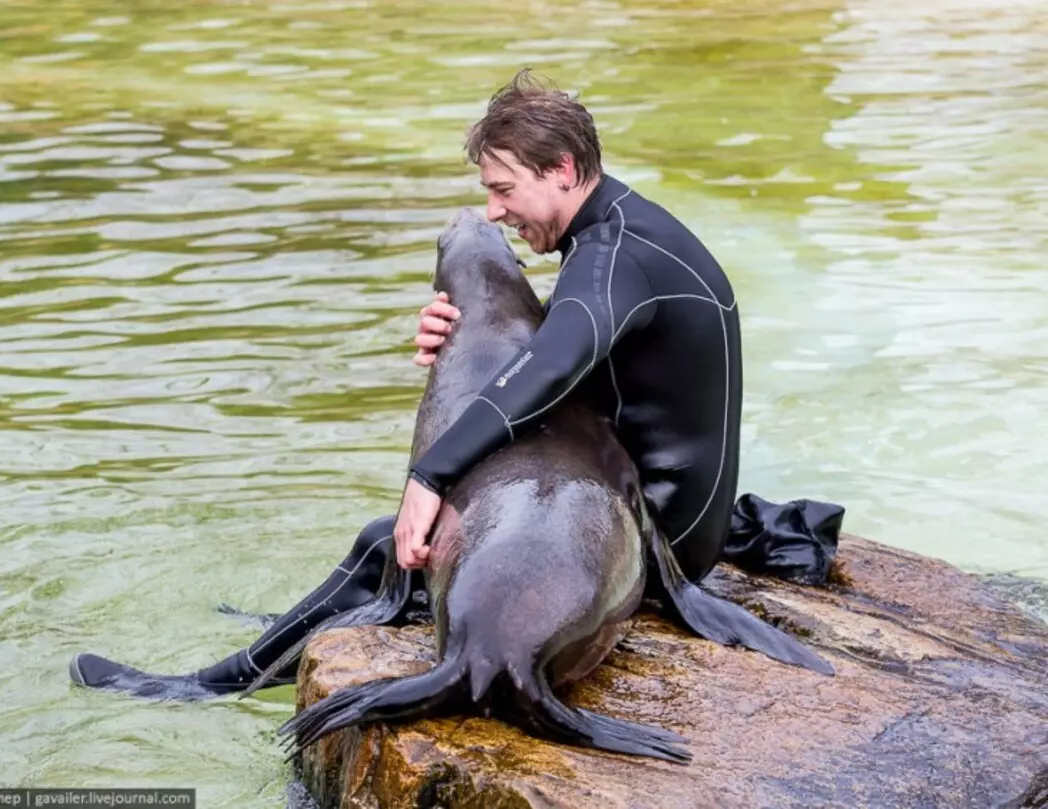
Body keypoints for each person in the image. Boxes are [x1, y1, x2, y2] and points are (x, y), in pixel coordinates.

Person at [69, 70, 842, 700]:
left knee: (390, 543)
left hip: (657, 541)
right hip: (629, 496)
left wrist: (429, 474)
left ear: (564, 170)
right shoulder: (626, 235)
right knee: (404, 544)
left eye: (504, 189)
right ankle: (287, 631)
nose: (494, 210)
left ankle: (212, 685)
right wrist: (455, 331)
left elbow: (547, 370)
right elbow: (571, 355)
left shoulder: (610, 262)